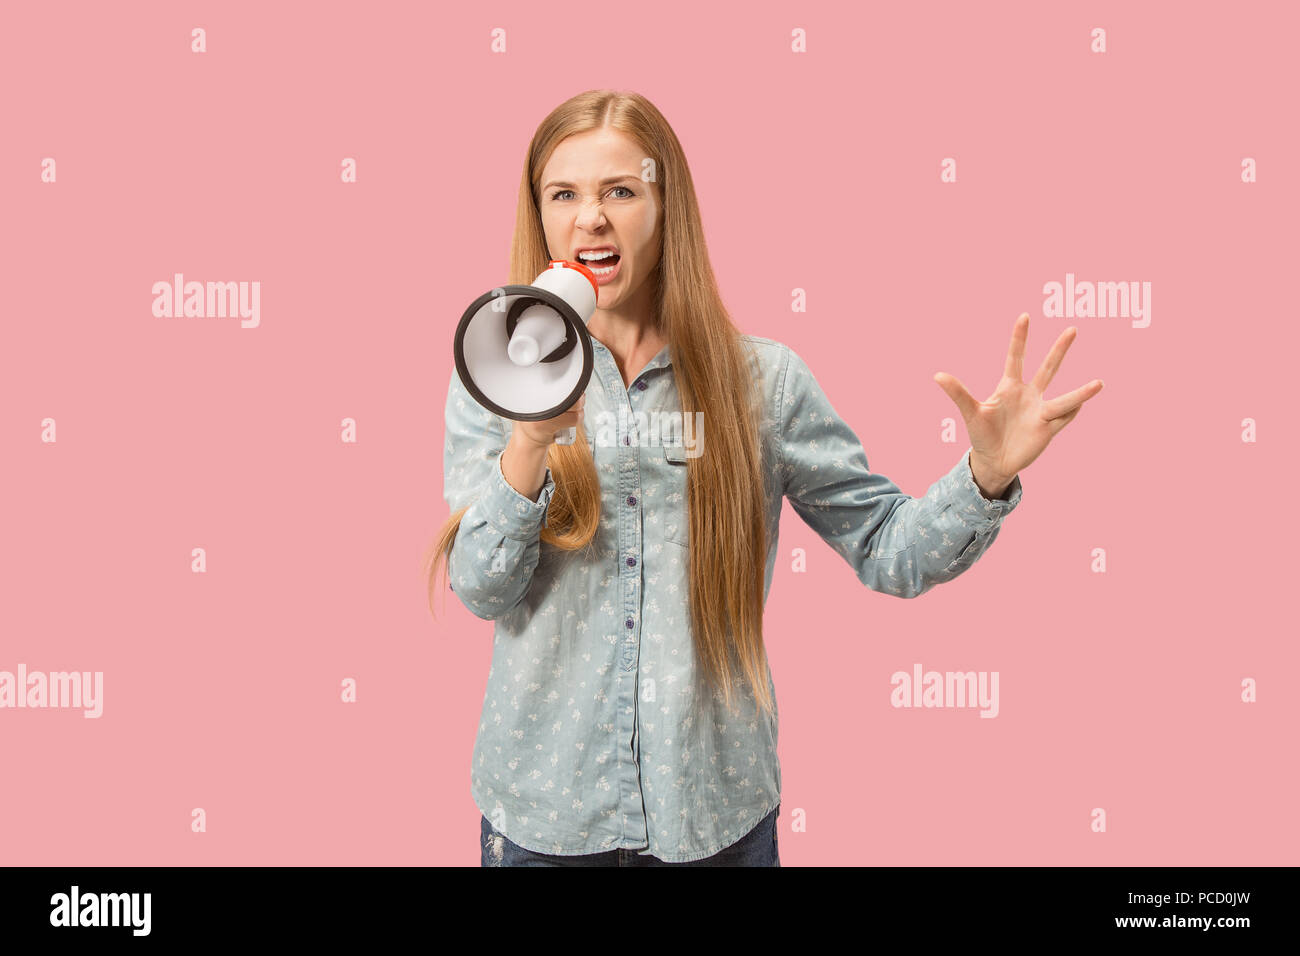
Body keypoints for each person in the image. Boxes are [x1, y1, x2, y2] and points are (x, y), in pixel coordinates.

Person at [424, 89, 1102, 867]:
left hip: (714, 815)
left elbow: (889, 549)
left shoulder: (765, 384)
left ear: (665, 204)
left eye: (620, 190)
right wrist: (529, 446)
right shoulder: (497, 373)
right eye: (564, 194)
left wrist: (984, 475)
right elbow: (481, 588)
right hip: (543, 819)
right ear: (538, 213)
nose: (591, 218)